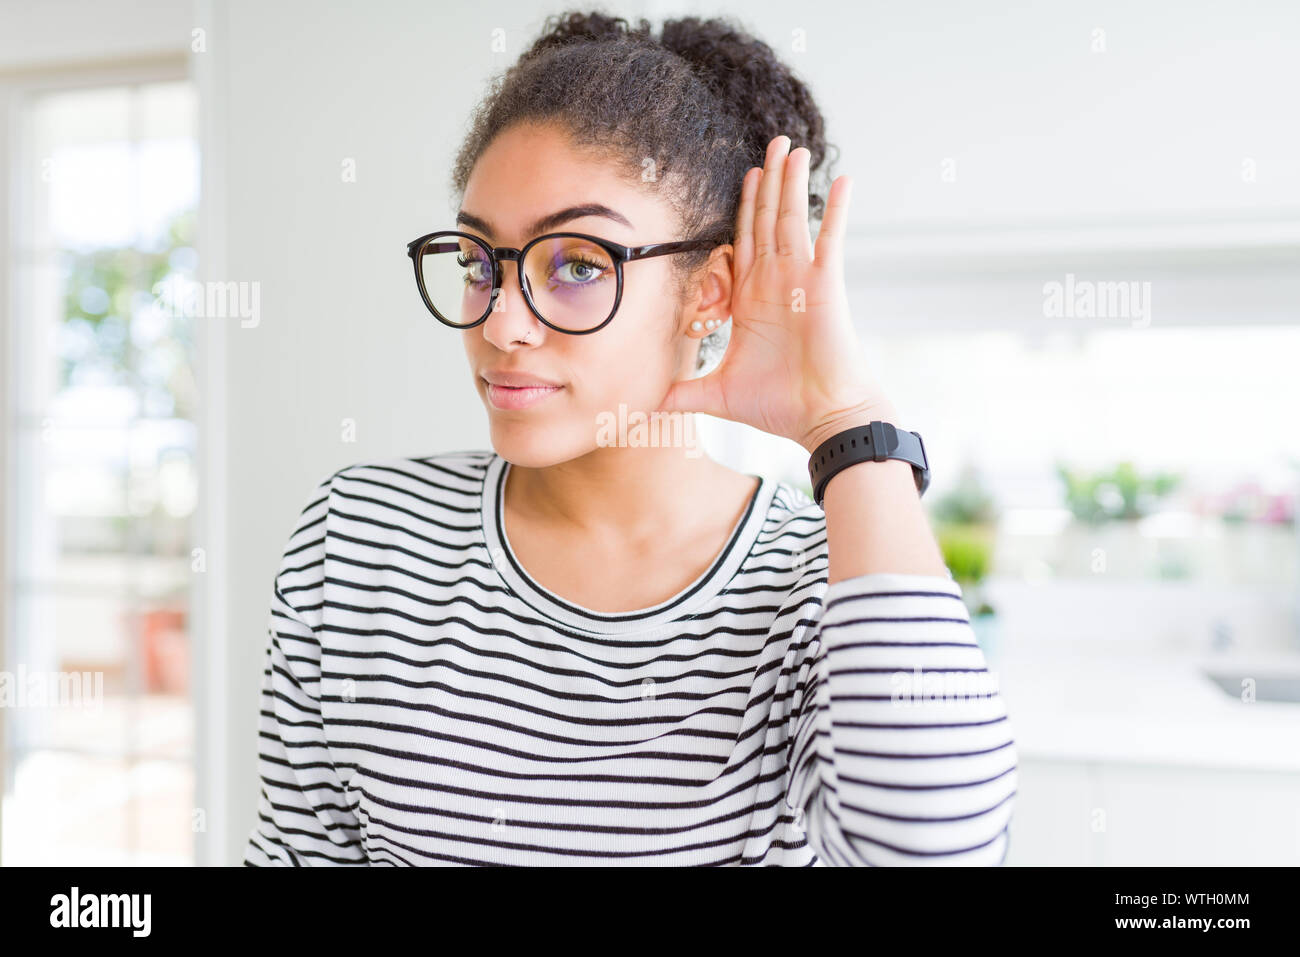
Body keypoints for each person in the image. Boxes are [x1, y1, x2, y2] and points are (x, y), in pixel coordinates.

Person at [243, 10, 1017, 866]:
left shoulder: (818, 589)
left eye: (576, 265)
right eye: (477, 260)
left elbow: (938, 848)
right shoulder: (358, 539)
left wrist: (842, 417)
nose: (500, 324)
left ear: (710, 289)